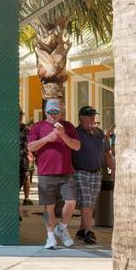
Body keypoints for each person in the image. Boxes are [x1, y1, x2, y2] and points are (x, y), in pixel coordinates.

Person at [27, 100, 80, 249]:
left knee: (71, 202)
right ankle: (50, 237)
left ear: (60, 113)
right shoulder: (38, 127)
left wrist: (63, 135)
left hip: (66, 172)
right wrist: (46, 139)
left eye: (56, 112)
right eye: (50, 112)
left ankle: (62, 227)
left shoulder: (68, 126)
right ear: (45, 112)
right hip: (46, 172)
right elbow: (30, 146)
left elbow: (77, 146)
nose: (53, 115)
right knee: (48, 207)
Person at [72, 105, 114, 245]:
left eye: (93, 115)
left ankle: (81, 230)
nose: (93, 118)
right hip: (80, 171)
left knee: (91, 204)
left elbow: (107, 153)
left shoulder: (99, 133)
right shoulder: (75, 133)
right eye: (89, 116)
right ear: (81, 118)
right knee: (86, 202)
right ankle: (89, 232)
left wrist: (113, 169)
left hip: (97, 173)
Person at [19, 109, 34, 206]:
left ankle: (26, 198)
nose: (20, 117)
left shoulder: (25, 129)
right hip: (13, 160)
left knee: (24, 179)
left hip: (23, 161)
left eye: (20, 115)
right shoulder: (8, 129)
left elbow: (30, 144)